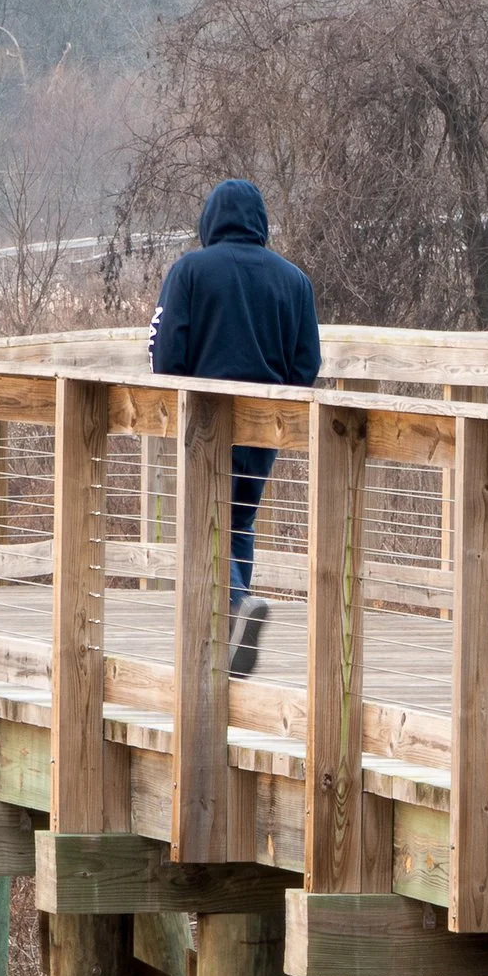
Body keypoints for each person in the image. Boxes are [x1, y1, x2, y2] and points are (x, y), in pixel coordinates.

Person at [148, 178, 320, 680]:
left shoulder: (190, 272)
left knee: (207, 521)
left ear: (210, 220)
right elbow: (307, 363)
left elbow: (164, 352)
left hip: (204, 422)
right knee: (238, 521)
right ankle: (231, 631)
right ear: (260, 220)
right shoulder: (294, 281)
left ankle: (238, 608)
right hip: (265, 427)